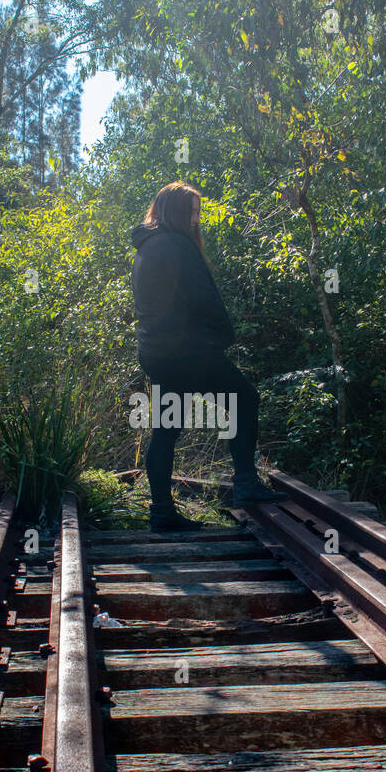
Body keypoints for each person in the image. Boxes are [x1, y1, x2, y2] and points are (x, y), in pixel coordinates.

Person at [130, 180, 278, 532]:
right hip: (187, 350)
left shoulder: (147, 247)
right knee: (244, 398)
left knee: (165, 429)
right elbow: (203, 299)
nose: (197, 219)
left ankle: (161, 513)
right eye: (193, 212)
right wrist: (224, 334)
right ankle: (245, 484)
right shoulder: (177, 246)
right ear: (178, 212)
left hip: (157, 352)